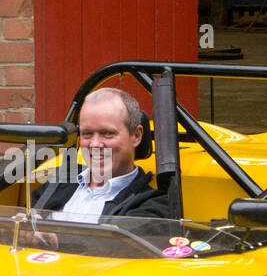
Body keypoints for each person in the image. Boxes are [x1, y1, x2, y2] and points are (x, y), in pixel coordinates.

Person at [32, 88, 171, 222]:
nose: (95, 144)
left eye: (108, 134)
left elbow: (115, 244)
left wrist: (54, 239)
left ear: (136, 135)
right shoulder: (58, 182)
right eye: (87, 134)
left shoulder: (152, 205)